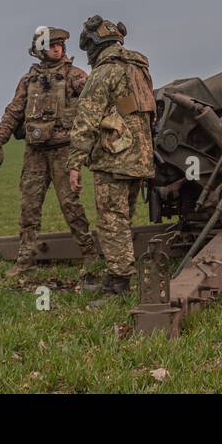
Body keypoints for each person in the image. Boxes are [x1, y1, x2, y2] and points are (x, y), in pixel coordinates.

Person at [0, 27, 98, 279]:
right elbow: (14, 111)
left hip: (63, 151)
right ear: (39, 49)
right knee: (29, 207)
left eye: (60, 44)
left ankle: (90, 255)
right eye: (52, 45)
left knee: (70, 206)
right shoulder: (29, 81)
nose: (57, 49)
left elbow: (94, 103)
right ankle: (25, 260)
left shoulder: (74, 76)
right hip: (35, 153)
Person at [66, 15, 156, 295]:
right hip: (140, 158)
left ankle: (119, 285)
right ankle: (118, 274)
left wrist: (73, 163)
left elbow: (86, 120)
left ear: (93, 45)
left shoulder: (105, 72)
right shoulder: (139, 68)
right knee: (123, 219)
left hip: (114, 159)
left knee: (111, 222)